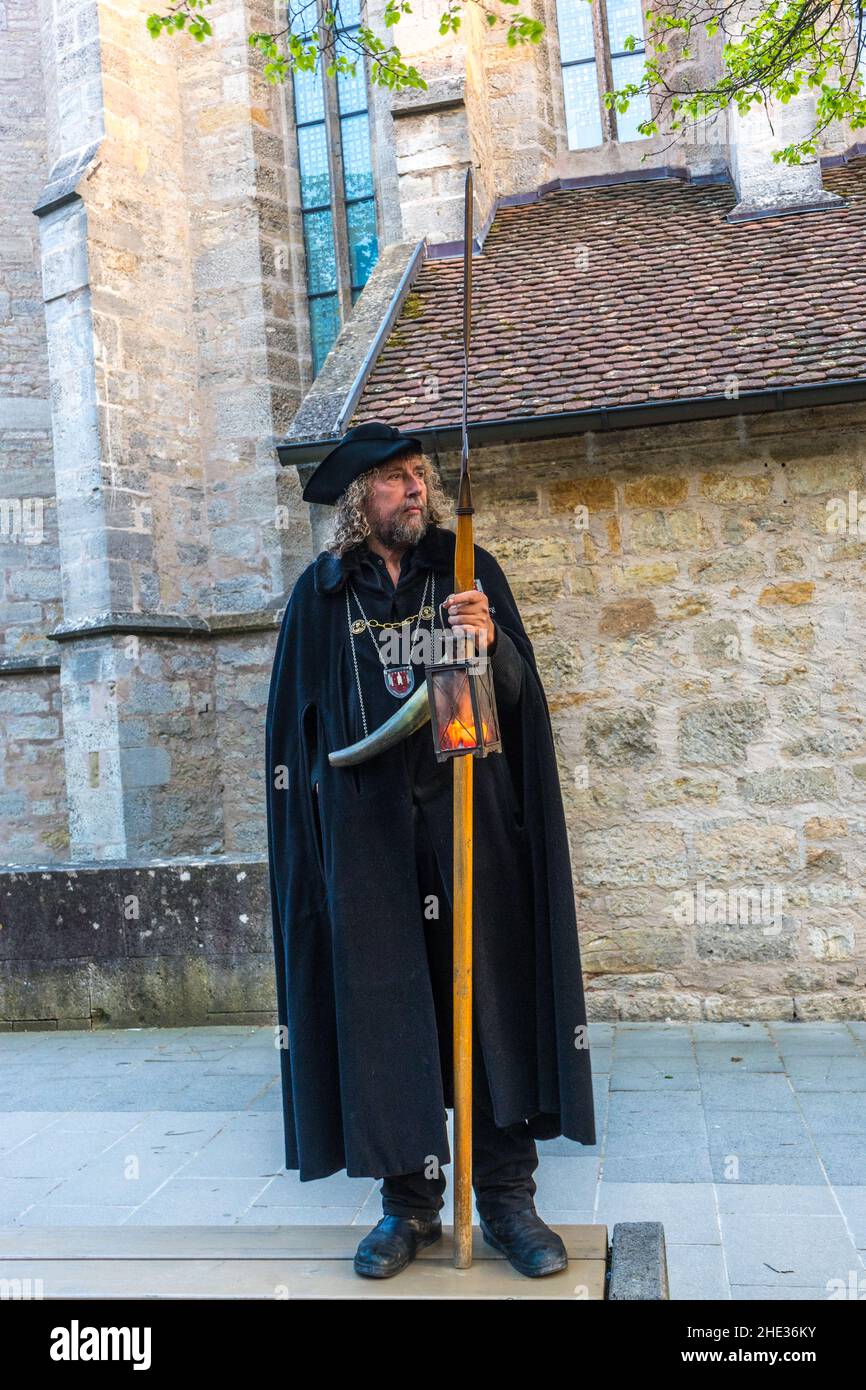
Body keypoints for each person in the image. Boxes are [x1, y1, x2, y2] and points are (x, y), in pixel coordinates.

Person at [265, 421, 596, 1280]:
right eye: (393, 480)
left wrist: (491, 645)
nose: (414, 490)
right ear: (356, 502)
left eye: (419, 476)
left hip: (469, 826)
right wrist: (314, 847)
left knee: (485, 1001)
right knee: (386, 1012)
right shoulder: (322, 594)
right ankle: (408, 1206)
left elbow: (521, 702)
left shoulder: (467, 569)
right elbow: (291, 737)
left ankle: (508, 1202)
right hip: (368, 838)